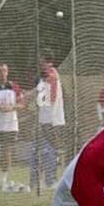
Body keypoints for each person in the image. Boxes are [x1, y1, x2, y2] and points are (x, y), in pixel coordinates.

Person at [33, 55, 67, 186]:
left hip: (52, 117)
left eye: (43, 63)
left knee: (54, 146)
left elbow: (48, 98)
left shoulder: (52, 76)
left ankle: (53, 177)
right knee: (46, 147)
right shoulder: (43, 78)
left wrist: (36, 101)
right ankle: (46, 178)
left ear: (50, 63)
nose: (41, 66)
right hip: (45, 116)